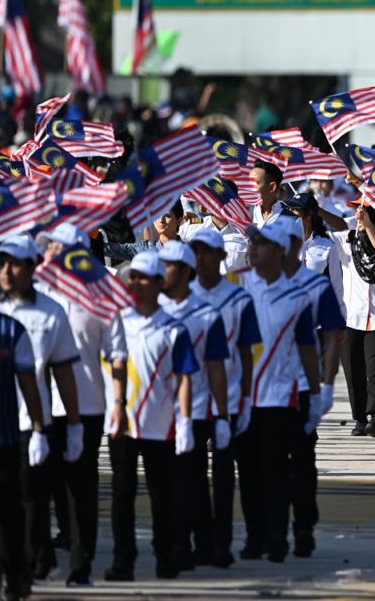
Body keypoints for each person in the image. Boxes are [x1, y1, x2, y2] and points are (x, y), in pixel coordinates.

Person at [36, 224, 126, 586]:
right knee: (38, 486)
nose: (50, 253)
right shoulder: (37, 292)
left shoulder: (101, 295)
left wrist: (118, 402)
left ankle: (80, 562)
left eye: (56, 246)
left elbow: (116, 353)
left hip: (88, 407)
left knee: (80, 489)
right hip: (41, 405)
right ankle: (40, 556)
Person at [233, 216, 323, 564]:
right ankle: (255, 535)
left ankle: (278, 535)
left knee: (275, 471)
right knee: (249, 471)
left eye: (261, 243)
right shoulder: (236, 286)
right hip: (242, 397)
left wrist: (315, 395)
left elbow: (308, 347)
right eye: (252, 243)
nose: (253, 249)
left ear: (280, 250)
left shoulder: (299, 293)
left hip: (280, 397)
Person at [106, 251, 198, 581]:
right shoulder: (118, 323)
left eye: (144, 277)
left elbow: (185, 376)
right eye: (133, 277)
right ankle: (123, 560)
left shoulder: (174, 328)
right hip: (123, 421)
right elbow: (114, 364)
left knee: (162, 495)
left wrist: (185, 420)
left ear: (159, 283)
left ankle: (166, 555)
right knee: (121, 494)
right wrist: (115, 403)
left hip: (161, 424)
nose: (136, 283)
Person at [0, 234, 83, 580]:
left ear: (32, 267)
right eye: (3, 263)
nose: (7, 271)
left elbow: (62, 371)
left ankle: (31, 561)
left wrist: (74, 425)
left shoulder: (52, 312)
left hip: (30, 422)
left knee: (32, 497)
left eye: (16, 264)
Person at [157, 240, 232, 572]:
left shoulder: (206, 313)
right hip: (158, 412)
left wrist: (223, 415)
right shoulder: (151, 307)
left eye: (168, 266)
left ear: (185, 272)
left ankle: (200, 544)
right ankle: (176, 543)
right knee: (169, 484)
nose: (161, 273)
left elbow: (216, 367)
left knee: (194, 482)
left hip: (198, 409)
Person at [187, 226, 258, 565]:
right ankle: (201, 540)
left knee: (224, 475)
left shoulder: (239, 297)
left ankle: (222, 543)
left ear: (220, 256)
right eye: (196, 252)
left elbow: (246, 352)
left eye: (206, 252)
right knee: (194, 474)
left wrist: (244, 400)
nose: (200, 259)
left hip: (228, 398)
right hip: (195, 400)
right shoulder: (184, 295)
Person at [274, 215, 343, 558]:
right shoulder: (256, 285)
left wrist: (326, 387)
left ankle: (303, 528)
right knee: (267, 465)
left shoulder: (315, 287)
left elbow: (333, 335)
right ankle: (272, 530)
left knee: (301, 462)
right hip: (265, 391)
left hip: (301, 388)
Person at [332, 204, 375, 438]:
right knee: (353, 371)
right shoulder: (346, 244)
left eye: (365, 217)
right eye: (359, 217)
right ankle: (359, 418)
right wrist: (314, 211)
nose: (359, 220)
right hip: (350, 317)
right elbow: (338, 226)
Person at [0, 307, 48, 601]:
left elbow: (29, 384)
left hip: (3, 438)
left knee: (8, 513)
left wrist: (39, 428)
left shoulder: (10, 330)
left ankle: (12, 574)